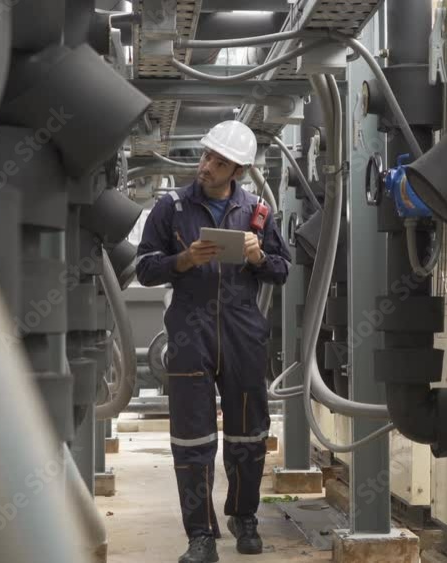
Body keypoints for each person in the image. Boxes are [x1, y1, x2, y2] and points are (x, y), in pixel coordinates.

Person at [135, 120, 291, 563]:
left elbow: (282, 268)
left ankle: (244, 517)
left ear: (237, 170)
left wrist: (258, 255)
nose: (206, 166)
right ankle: (201, 535)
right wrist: (182, 260)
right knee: (191, 438)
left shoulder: (257, 211)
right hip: (189, 330)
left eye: (218, 161)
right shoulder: (172, 208)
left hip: (243, 330)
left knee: (249, 433)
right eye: (206, 156)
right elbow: (145, 268)